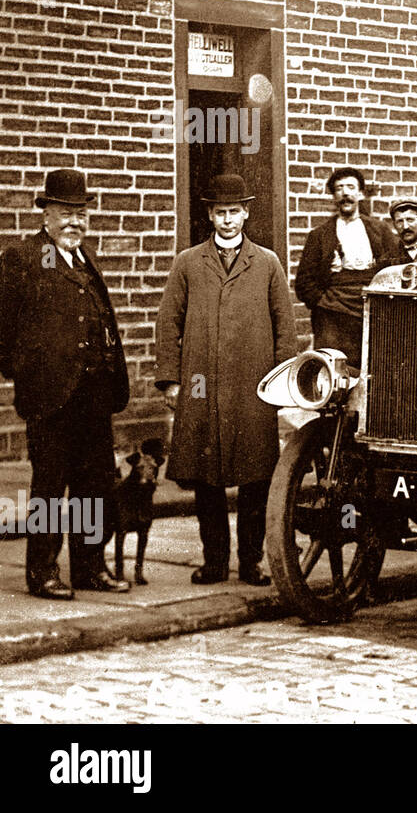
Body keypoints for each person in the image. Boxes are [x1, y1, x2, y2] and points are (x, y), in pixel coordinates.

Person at [155, 174, 298, 585]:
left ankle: (250, 560)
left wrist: (282, 383)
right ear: (209, 215)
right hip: (201, 389)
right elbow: (169, 322)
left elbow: (284, 326)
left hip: (253, 391)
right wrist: (171, 381)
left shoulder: (267, 262)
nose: (228, 219)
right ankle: (214, 560)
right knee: (207, 481)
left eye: (235, 211)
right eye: (220, 212)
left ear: (247, 213)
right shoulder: (188, 262)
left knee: (255, 479)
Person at [0, 168, 130, 599]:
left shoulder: (84, 257)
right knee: (50, 489)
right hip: (51, 397)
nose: (75, 222)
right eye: (65, 213)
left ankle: (90, 566)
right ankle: (42, 571)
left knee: (94, 486)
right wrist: (25, 372)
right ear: (46, 214)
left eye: (81, 213)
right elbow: (4, 327)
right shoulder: (24, 256)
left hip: (93, 395)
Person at [295, 167, 398, 366]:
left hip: (372, 309)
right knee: (333, 370)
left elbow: (395, 267)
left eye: (351, 187)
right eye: (339, 189)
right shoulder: (320, 235)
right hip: (333, 314)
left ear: (360, 194)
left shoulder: (380, 230)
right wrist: (322, 303)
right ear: (334, 197)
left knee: (375, 365)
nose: (345, 193)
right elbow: (304, 281)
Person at [385, 198, 417, 263]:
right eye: (400, 221)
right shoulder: (388, 258)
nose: (405, 227)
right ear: (394, 225)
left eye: (410, 220)